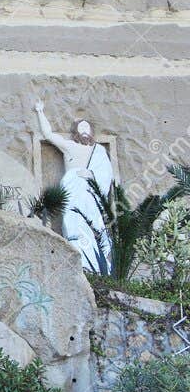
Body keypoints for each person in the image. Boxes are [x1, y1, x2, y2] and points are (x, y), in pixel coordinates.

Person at [34, 100, 115, 273]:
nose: (84, 130)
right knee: (73, 221)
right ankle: (79, 258)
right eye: (81, 128)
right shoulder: (70, 147)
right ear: (76, 132)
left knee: (93, 222)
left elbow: (106, 174)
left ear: (91, 132)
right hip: (73, 190)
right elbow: (48, 134)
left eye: (87, 128)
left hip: (91, 194)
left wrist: (91, 175)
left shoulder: (99, 151)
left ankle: (96, 263)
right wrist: (40, 111)